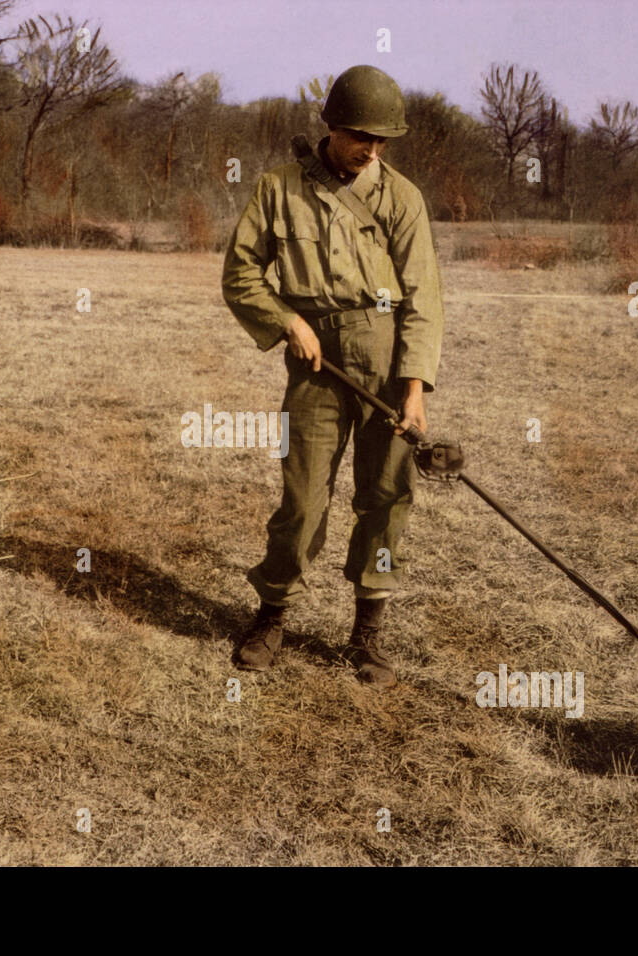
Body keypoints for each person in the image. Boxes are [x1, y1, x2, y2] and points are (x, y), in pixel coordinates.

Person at [222, 65, 445, 688]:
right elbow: (240, 274)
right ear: (329, 127)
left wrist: (414, 391)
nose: (369, 150)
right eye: (358, 136)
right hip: (315, 361)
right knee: (302, 497)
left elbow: (423, 299)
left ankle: (367, 633)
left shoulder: (403, 199)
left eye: (381, 141)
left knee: (387, 499)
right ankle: (271, 615)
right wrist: (287, 319)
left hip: (387, 355)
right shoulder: (278, 189)